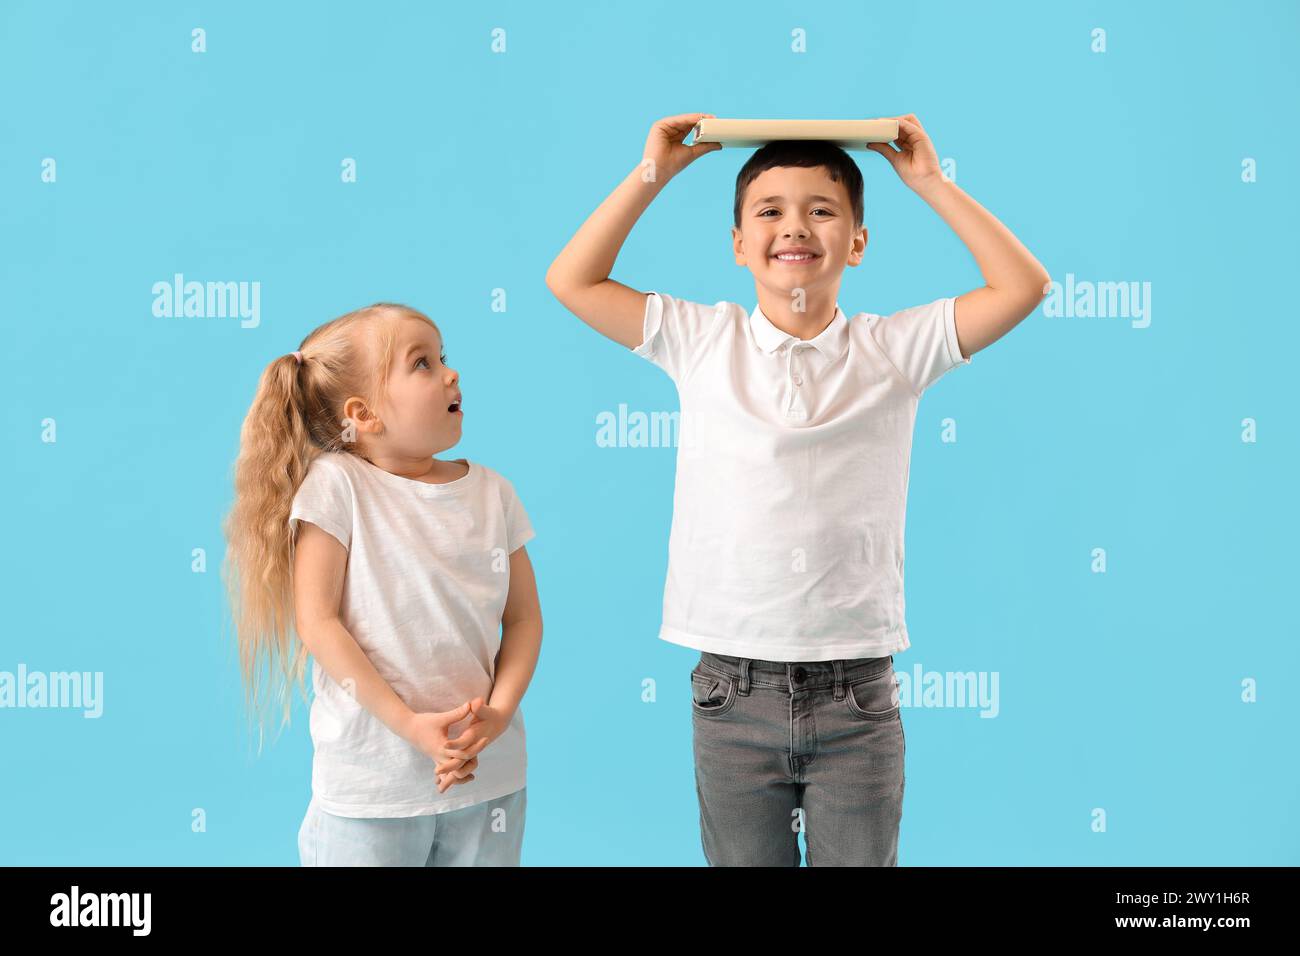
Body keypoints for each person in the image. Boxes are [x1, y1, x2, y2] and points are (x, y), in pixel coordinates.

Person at [545, 112, 1049, 866]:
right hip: (731, 692)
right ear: (739, 243)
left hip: (857, 695)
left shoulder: (893, 350)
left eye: (823, 211)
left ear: (857, 242)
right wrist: (657, 171)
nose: (796, 227)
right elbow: (572, 279)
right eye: (770, 211)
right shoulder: (701, 340)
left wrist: (930, 183)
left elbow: (1024, 285)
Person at [221, 302, 542, 865]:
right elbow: (318, 623)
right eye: (422, 363)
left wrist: (499, 710)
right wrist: (411, 727)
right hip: (374, 789)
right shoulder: (337, 487)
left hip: (485, 782)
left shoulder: (494, 493)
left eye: (444, 356)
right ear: (363, 414)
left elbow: (523, 620)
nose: (450, 372)